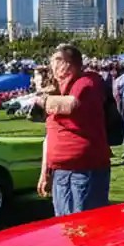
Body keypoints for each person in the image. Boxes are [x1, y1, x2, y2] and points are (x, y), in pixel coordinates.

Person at [35, 44, 111, 216]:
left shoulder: (87, 82)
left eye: (55, 62)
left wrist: (41, 100)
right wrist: (45, 172)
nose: (52, 68)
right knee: (65, 227)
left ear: (68, 65)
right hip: (61, 171)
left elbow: (72, 105)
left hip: (84, 171)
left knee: (86, 226)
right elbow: (50, 136)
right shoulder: (59, 91)